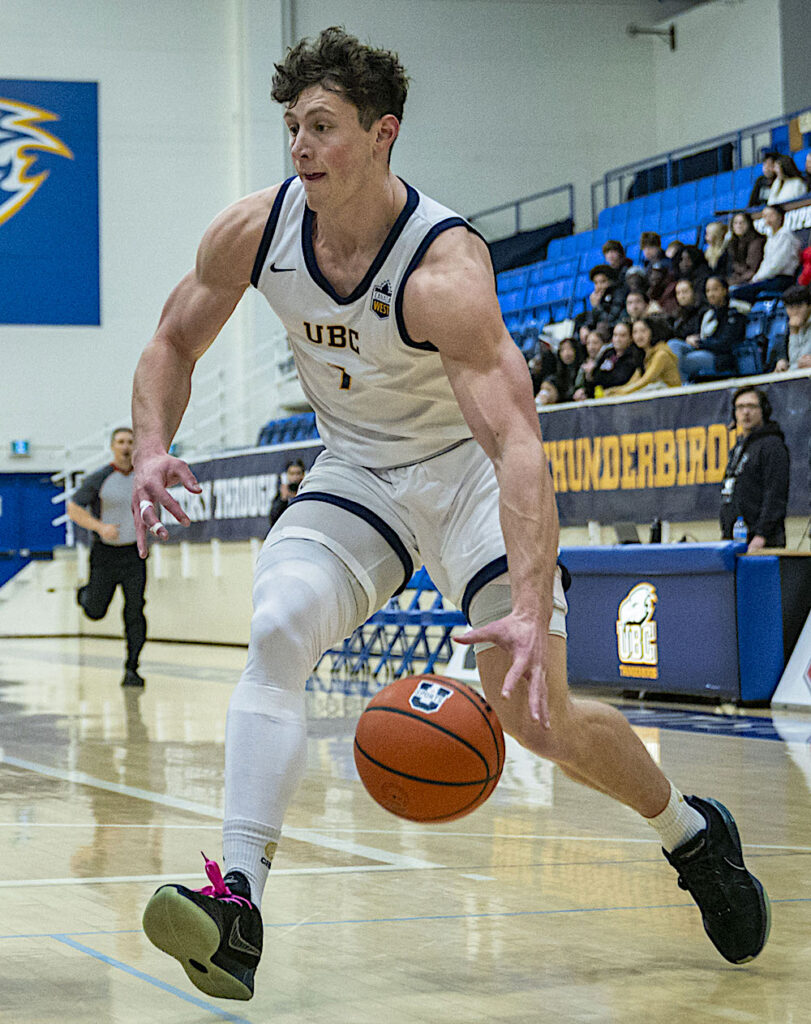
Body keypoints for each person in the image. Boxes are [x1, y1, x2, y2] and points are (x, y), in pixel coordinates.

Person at [130, 27, 770, 1000]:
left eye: (323, 126)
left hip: (467, 475)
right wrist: (151, 446)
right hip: (358, 470)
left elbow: (516, 444)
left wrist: (528, 605)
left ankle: (690, 833)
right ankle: (236, 903)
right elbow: (171, 342)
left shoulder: (443, 269)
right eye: (292, 125)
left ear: (382, 133)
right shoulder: (254, 231)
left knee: (537, 719)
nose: (300, 145)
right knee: (275, 628)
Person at [67, 427, 147, 688]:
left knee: (135, 609)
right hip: (105, 554)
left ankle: (132, 668)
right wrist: (100, 527)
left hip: (133, 554)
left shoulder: (144, 477)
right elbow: (73, 508)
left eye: (130, 442)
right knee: (95, 610)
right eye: (121, 442)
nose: (126, 446)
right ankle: (84, 594)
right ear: (113, 446)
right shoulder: (100, 478)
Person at [720, 386, 790, 550]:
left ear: (763, 410)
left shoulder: (773, 445)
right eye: (740, 407)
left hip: (761, 543)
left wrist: (761, 536)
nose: (746, 412)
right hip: (734, 540)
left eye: (751, 406)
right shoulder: (738, 448)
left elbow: (775, 495)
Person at [669, 276, 746, 381]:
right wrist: (693, 340)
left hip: (720, 356)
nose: (711, 294)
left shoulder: (734, 313)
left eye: (715, 289)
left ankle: (680, 386)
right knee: (673, 344)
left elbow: (725, 344)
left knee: (683, 361)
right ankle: (681, 384)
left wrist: (700, 343)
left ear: (725, 290)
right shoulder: (708, 314)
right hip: (705, 348)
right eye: (708, 291)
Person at [731, 204, 800, 304]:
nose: (768, 219)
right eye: (765, 216)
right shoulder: (771, 237)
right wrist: (756, 278)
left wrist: (759, 278)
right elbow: (765, 262)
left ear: (780, 217)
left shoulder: (785, 236)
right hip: (769, 278)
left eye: (771, 215)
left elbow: (777, 265)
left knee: (740, 292)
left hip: (782, 279)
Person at [608, 316, 681, 394]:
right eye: (635, 332)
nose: (639, 336)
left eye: (643, 331)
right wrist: (612, 391)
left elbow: (646, 381)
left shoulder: (661, 354)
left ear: (652, 331)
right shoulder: (643, 356)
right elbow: (633, 382)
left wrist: (621, 393)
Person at [774, 284, 811, 371]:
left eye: (799, 307)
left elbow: (799, 361)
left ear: (809, 306)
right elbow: (794, 361)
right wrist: (781, 360)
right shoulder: (791, 326)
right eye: (790, 308)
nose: (795, 312)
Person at [727, 212, 765, 286]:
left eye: (742, 223)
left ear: (749, 224)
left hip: (751, 280)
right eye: (735, 223)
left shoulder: (757, 241)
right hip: (736, 278)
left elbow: (752, 269)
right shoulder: (732, 243)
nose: (739, 226)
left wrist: (736, 281)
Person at [572, 328, 609, 401]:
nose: (591, 347)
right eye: (588, 343)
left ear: (603, 344)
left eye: (595, 343)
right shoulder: (584, 365)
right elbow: (578, 386)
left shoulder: (607, 360)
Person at [268, 458, 306, 527]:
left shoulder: (307, 491)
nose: (295, 477)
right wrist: (283, 500)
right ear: (287, 475)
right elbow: (273, 520)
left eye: (298, 473)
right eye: (292, 474)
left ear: (303, 475)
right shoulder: (282, 494)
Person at [669, 278, 706, 343]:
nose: (681, 296)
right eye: (678, 293)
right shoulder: (677, 313)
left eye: (685, 292)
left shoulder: (702, 310)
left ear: (693, 292)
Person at [553, 336, 584, 403]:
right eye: (562, 350)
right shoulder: (559, 374)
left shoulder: (583, 369)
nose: (566, 353)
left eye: (570, 349)